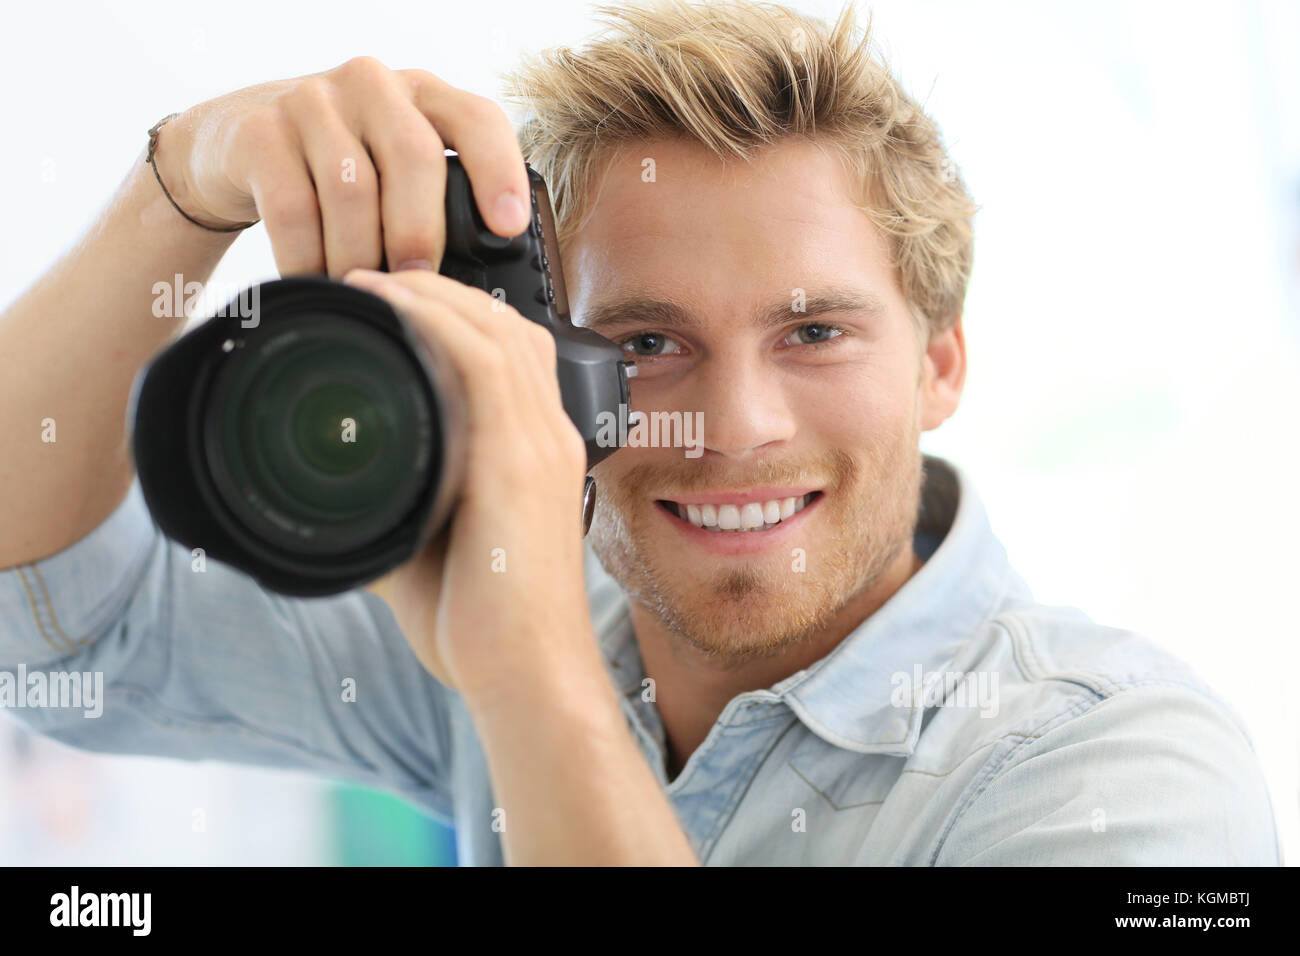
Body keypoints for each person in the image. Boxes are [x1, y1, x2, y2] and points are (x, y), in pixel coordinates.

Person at [0, 0, 1280, 865]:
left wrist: (528, 677)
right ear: (556, 368)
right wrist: (182, 179)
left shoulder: (1129, 771)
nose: (734, 428)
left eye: (815, 333)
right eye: (649, 343)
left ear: (940, 361)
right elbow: (48, 609)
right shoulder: (535, 632)